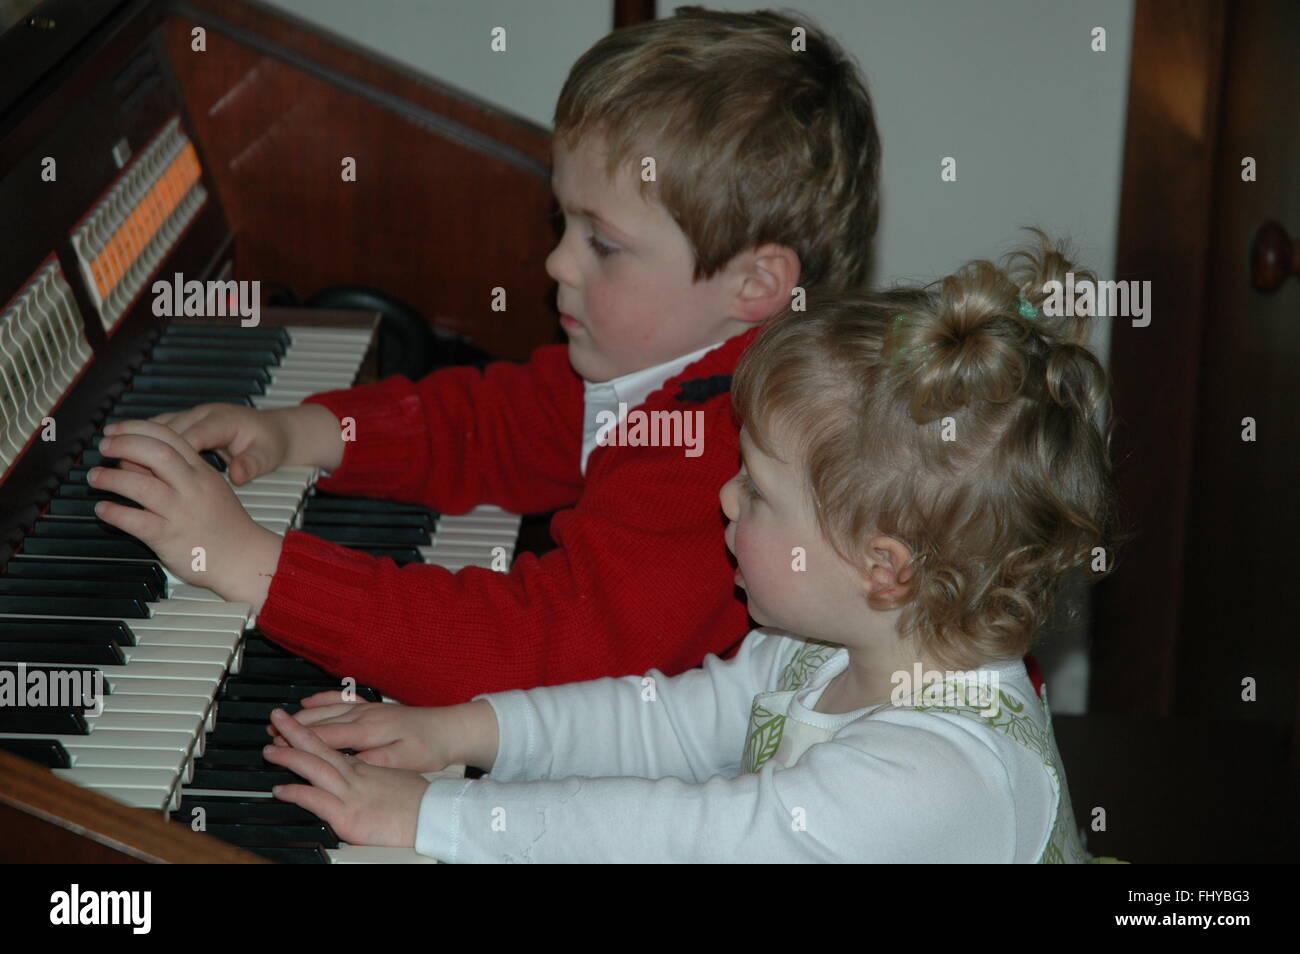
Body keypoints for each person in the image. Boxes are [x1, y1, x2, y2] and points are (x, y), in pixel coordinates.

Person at [89, 7, 883, 704]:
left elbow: (538, 653)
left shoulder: (718, 443)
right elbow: (508, 422)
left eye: (602, 244)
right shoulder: (688, 367)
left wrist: (249, 561)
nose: (558, 265)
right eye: (562, 223)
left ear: (756, 284)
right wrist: (310, 433)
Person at [262, 232, 1119, 862]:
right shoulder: (819, 647)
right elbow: (662, 725)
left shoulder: (935, 775)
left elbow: (686, 837)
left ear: (882, 568)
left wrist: (433, 821)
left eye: (758, 490)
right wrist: (465, 731)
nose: (723, 496)